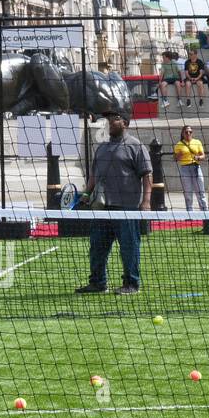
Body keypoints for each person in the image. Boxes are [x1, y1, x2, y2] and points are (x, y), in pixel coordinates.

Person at [74, 110, 151, 296]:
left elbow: (147, 176)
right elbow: (94, 175)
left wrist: (146, 202)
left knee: (129, 247)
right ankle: (98, 283)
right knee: (97, 248)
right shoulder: (101, 148)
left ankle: (131, 284)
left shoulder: (136, 146)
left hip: (126, 208)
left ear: (125, 123)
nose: (109, 122)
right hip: (101, 208)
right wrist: (86, 194)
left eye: (114, 119)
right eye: (107, 119)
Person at [173, 124, 207, 212]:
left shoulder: (197, 142)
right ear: (183, 133)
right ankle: (190, 213)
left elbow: (203, 155)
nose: (188, 133)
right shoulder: (179, 145)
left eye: (190, 132)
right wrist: (179, 155)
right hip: (185, 168)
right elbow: (175, 158)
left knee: (200, 191)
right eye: (186, 132)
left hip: (196, 167)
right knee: (188, 193)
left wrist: (199, 158)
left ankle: (205, 212)